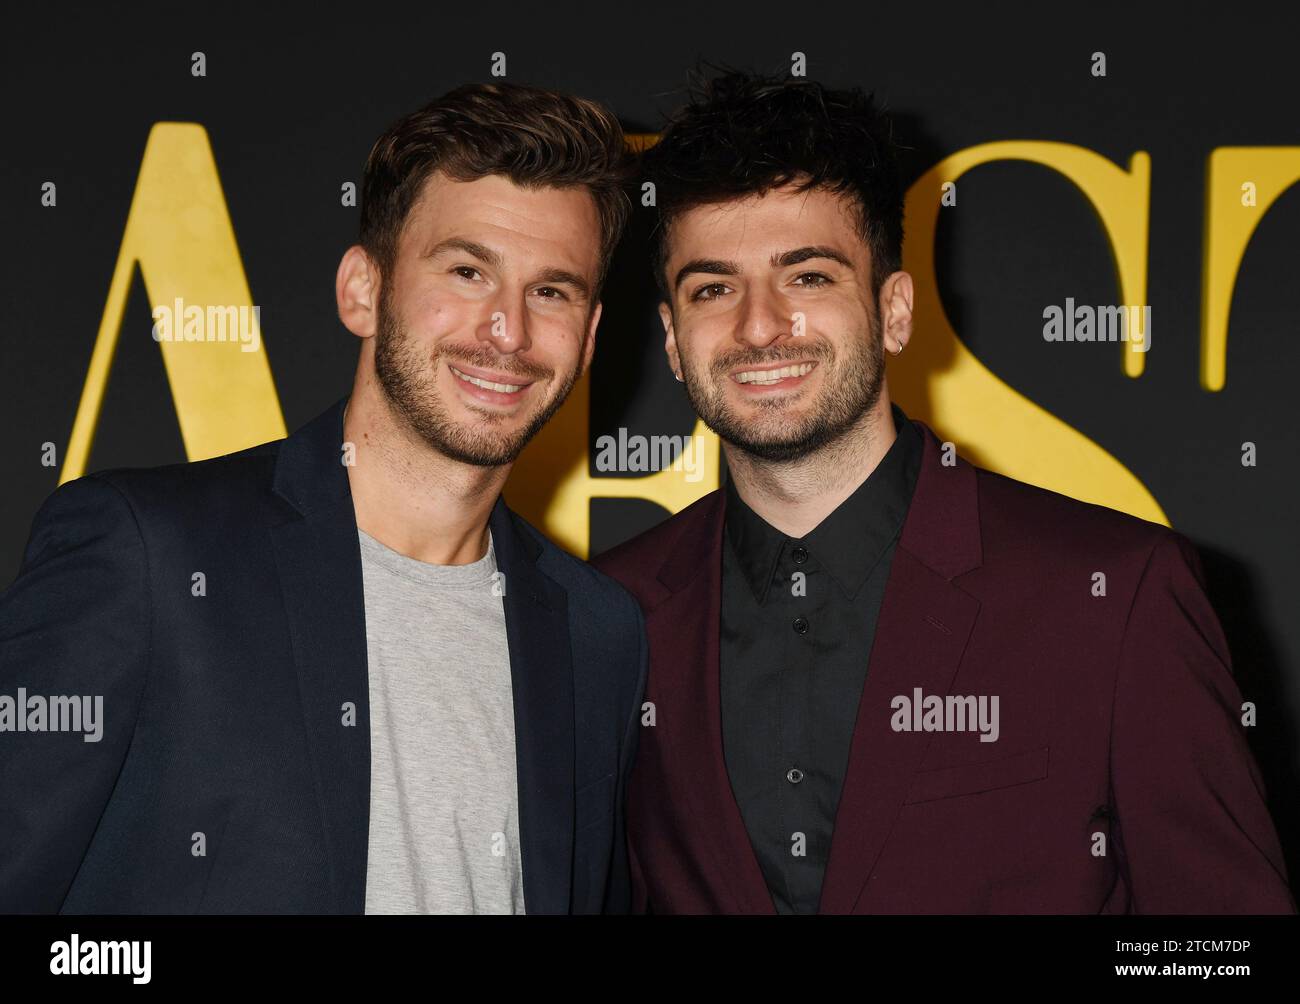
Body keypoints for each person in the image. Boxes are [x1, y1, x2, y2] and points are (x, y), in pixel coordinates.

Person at [594, 70, 1295, 914]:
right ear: (672, 339)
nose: (758, 325)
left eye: (808, 277)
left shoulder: (1114, 594)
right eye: (713, 288)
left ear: (894, 310)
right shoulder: (611, 614)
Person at [0, 82, 646, 915]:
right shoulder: (147, 556)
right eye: (466, 270)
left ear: (588, 339)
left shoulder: (598, 634)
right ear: (362, 290)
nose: (508, 331)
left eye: (551, 291)